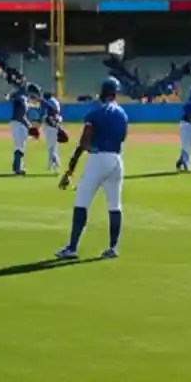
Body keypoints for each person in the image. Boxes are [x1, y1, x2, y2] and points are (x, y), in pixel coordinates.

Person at [55, 77, 128, 260]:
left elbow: (83, 141)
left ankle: (72, 247)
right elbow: (122, 138)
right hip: (116, 160)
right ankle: (112, 247)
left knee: (81, 202)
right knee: (114, 205)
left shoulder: (95, 112)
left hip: (98, 158)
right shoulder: (122, 114)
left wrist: (71, 169)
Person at [8, 83, 40, 175]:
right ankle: (17, 168)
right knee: (19, 145)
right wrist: (29, 126)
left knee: (21, 145)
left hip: (19, 123)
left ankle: (17, 167)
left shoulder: (23, 99)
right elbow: (21, 115)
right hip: (17, 123)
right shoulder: (22, 99)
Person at [40, 91, 63, 171]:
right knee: (53, 146)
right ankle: (50, 165)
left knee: (51, 147)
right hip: (55, 123)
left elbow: (51, 111)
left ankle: (55, 164)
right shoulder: (54, 101)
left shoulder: (50, 102)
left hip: (51, 124)